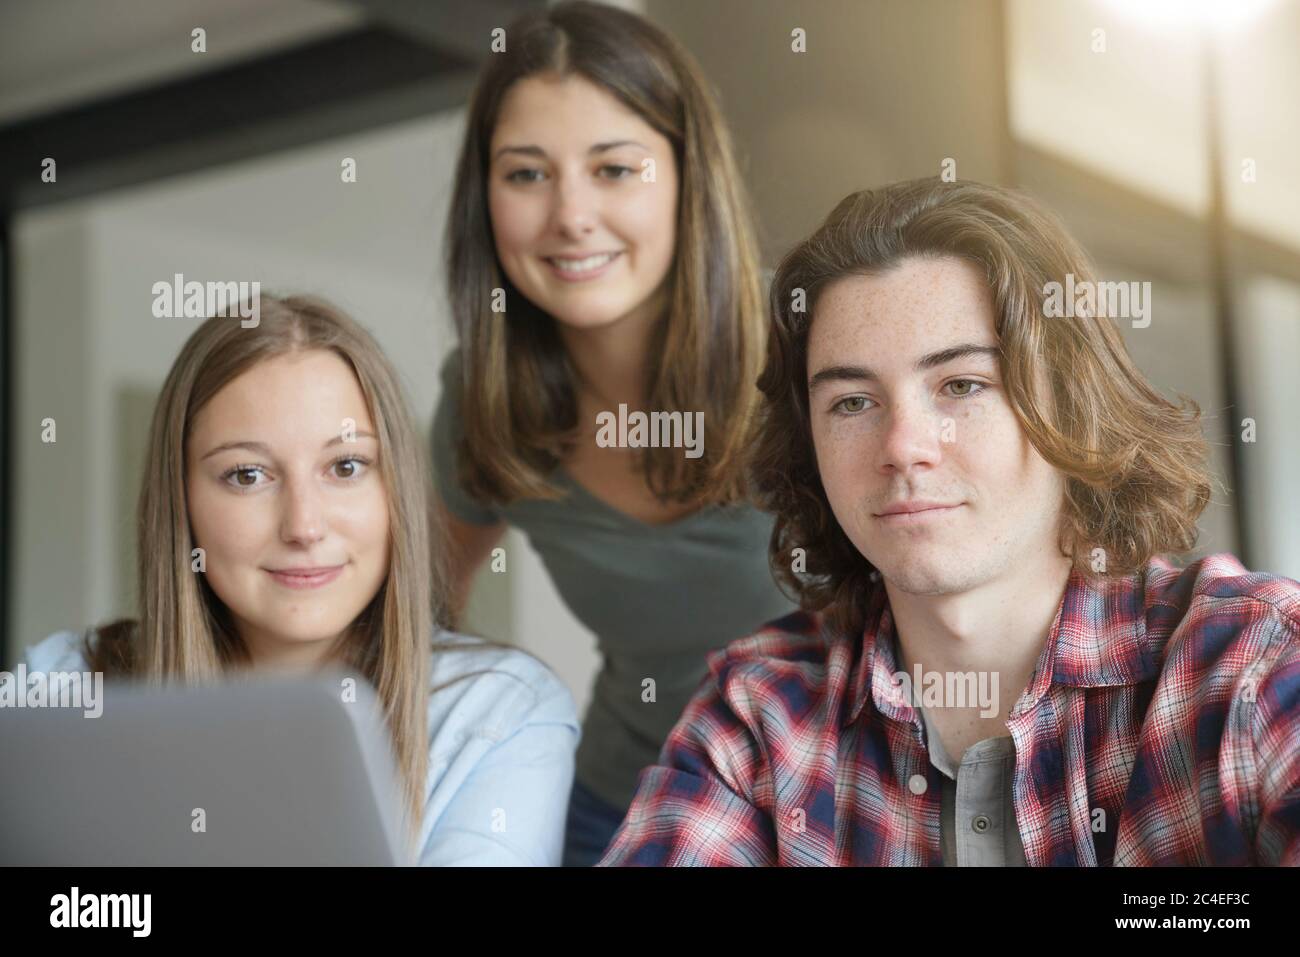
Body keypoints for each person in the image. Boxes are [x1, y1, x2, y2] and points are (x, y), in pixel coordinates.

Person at [598, 178, 1300, 866]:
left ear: (1073, 405)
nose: (903, 446)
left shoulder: (1253, 664)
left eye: (961, 385)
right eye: (851, 402)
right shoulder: (760, 713)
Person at [24, 294, 579, 866]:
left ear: (396, 491)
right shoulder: (60, 685)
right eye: (247, 475)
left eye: (345, 467)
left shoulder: (500, 713)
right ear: (180, 501)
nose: (304, 526)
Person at [433, 1, 793, 865]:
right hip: (618, 804)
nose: (570, 215)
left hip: (824, 798)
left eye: (615, 169)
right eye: (526, 174)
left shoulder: (809, 348)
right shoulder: (486, 400)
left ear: (685, 176)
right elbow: (420, 613)